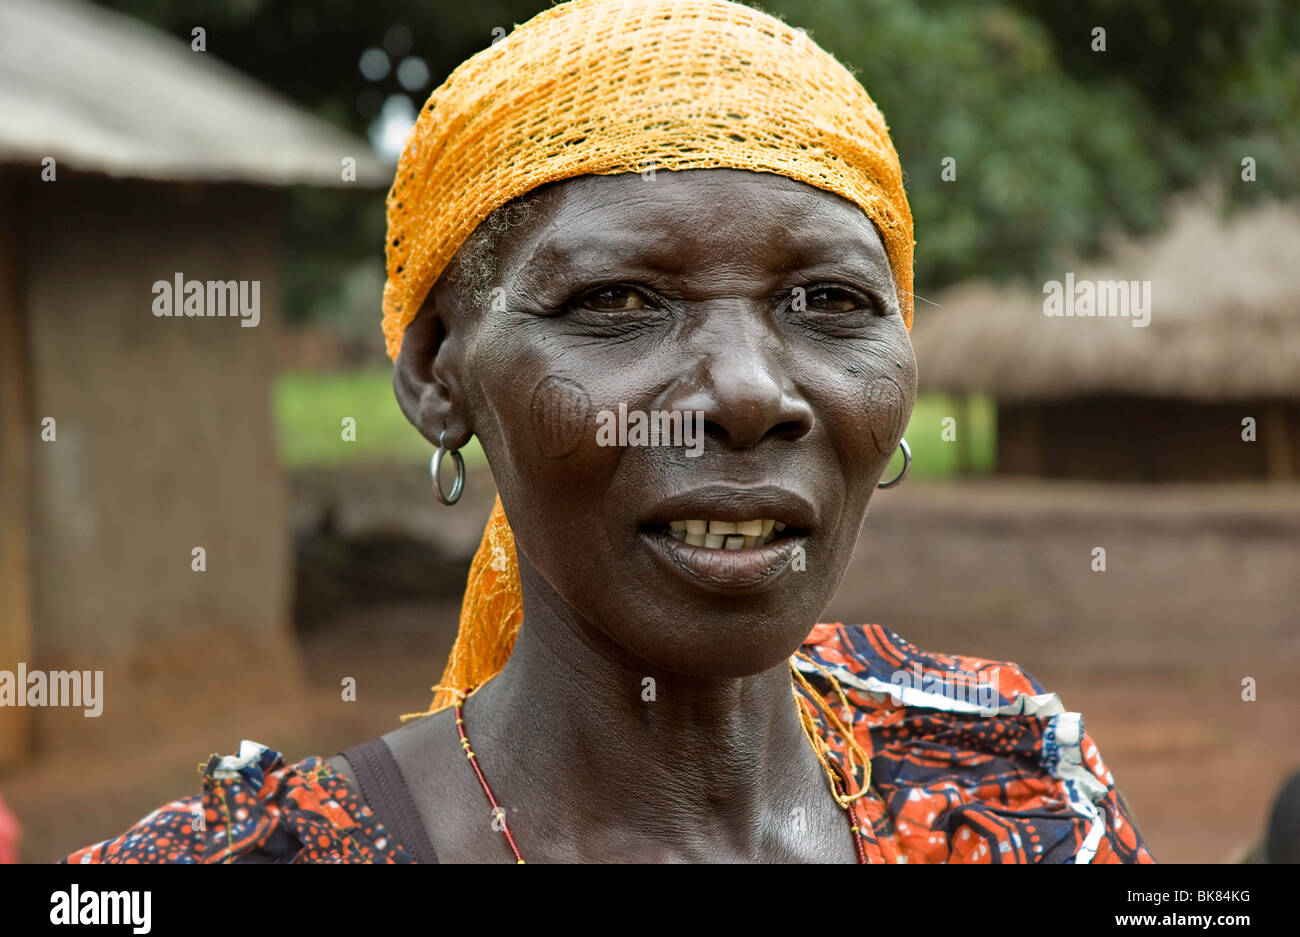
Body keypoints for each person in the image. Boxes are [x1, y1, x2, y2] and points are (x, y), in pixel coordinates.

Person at [62, 0, 1152, 864]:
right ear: (438, 371)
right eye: (619, 302)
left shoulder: (1012, 785)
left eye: (827, 302)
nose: (746, 393)